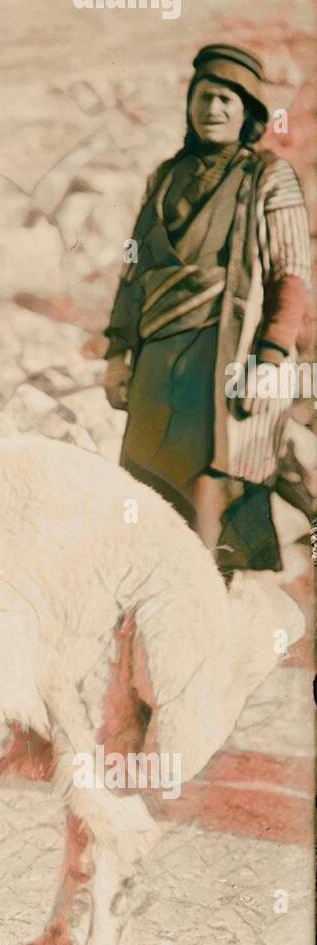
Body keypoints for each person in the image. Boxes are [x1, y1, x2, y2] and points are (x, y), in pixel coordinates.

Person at [102, 44, 312, 576]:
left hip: (225, 356)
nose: (212, 108)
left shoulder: (269, 178)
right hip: (156, 361)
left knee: (210, 494)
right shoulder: (165, 178)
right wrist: (118, 353)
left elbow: (292, 276)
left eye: (225, 99)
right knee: (146, 489)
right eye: (203, 97)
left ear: (247, 114)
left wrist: (269, 358)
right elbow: (134, 273)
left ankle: (210, 610)